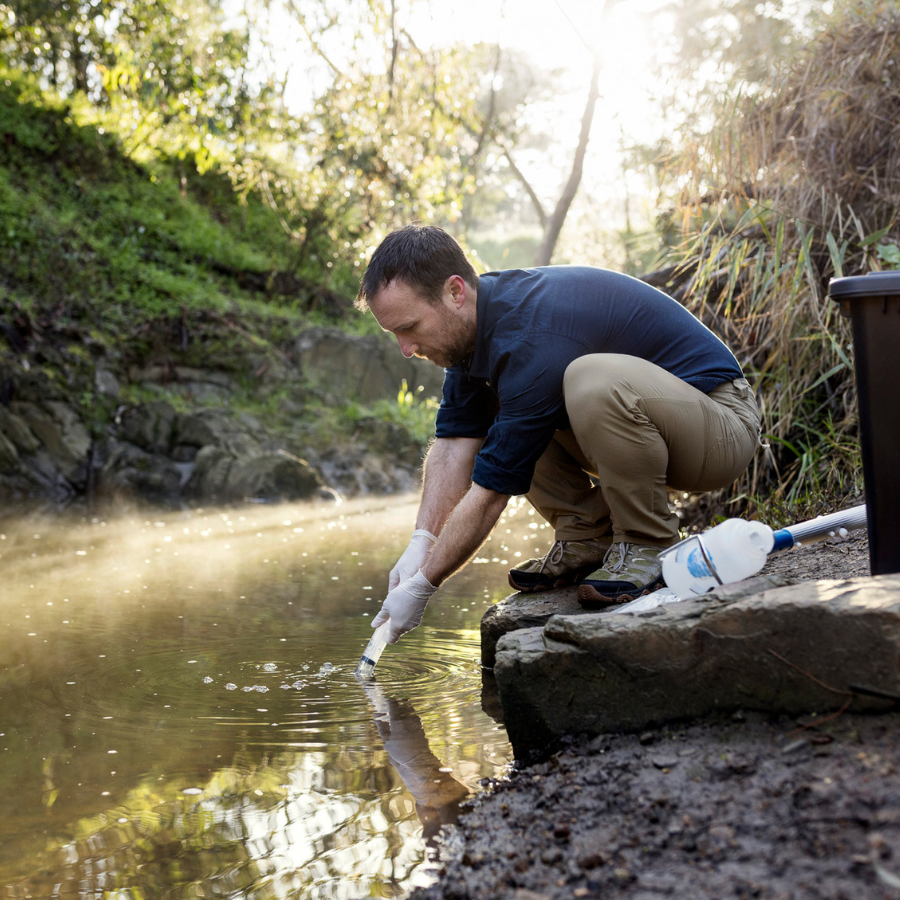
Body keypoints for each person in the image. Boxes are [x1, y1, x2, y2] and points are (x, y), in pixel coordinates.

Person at [356, 224, 761, 644]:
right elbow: (455, 444)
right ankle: (586, 535)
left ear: (455, 292)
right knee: (510, 403)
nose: (405, 348)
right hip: (651, 429)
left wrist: (424, 585)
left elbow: (493, 488)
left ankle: (646, 541)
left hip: (720, 425)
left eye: (409, 327)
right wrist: (421, 543)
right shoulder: (470, 333)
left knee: (590, 378)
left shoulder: (530, 332)